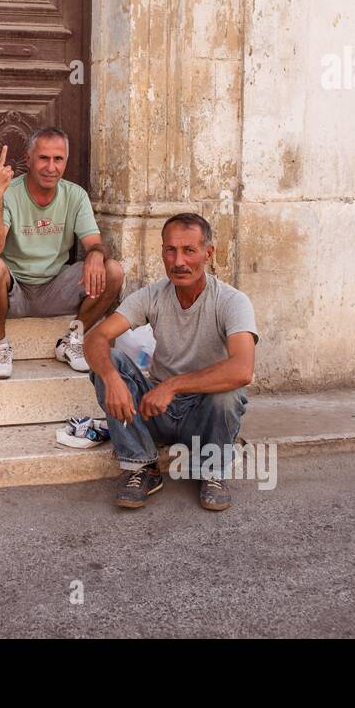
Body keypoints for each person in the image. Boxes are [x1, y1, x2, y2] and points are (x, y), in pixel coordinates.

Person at [83, 213, 258, 512]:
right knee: (108, 361)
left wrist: (173, 386)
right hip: (156, 410)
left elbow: (242, 369)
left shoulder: (231, 301)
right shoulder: (153, 295)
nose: (179, 261)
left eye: (189, 250)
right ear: (162, 251)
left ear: (208, 253)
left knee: (229, 394)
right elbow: (95, 338)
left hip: (202, 415)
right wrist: (112, 379)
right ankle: (143, 467)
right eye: (170, 250)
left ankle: (213, 471)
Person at [0, 127, 124, 379]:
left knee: (113, 271)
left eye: (58, 159)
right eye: (44, 158)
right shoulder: (10, 192)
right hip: (14, 293)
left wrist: (96, 255)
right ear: (28, 159)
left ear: (65, 161)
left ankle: (73, 339)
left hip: (55, 287)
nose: (51, 167)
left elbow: (94, 243)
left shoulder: (75, 195)